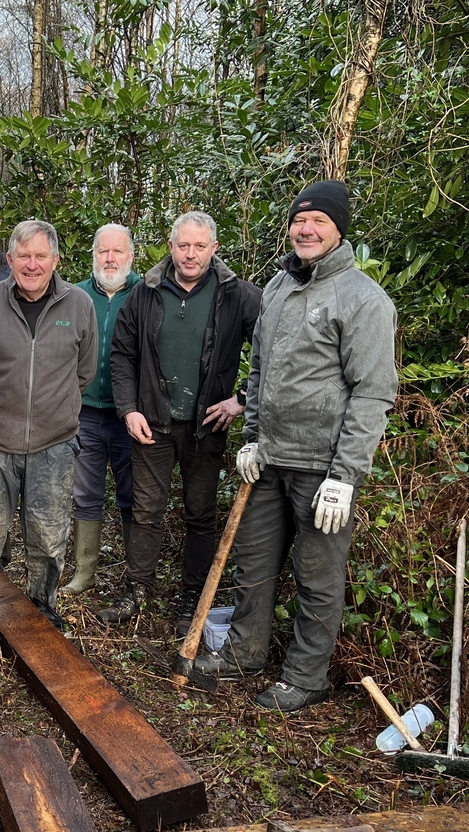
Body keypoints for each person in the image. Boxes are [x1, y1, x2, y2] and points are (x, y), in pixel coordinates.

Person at [192, 180, 398, 711]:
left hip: (321, 469)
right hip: (270, 461)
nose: (305, 229)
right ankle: (244, 650)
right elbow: (259, 370)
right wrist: (253, 437)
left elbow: (373, 392)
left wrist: (345, 476)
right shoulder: (279, 288)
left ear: (338, 230)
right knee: (253, 563)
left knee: (317, 574)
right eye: (299, 220)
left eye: (319, 221)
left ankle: (307, 677)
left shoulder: (363, 300)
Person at [100, 212, 262, 635]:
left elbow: (275, 346)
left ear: (214, 249)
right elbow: (122, 355)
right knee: (146, 510)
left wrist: (243, 399)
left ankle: (192, 595)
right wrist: (128, 408)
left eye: (200, 246)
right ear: (170, 247)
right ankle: (138, 589)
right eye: (183, 245)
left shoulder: (237, 296)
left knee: (200, 514)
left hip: (206, 425)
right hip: (152, 422)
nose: (190, 254)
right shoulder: (145, 294)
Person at [0, 219, 98, 643]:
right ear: (9, 259)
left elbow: (85, 371)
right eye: (23, 256)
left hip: (54, 447)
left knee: (47, 538)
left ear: (56, 260)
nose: (32, 264)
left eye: (41, 256)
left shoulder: (79, 305)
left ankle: (42, 608)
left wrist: (51, 411)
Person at [60, 224, 141, 596]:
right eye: (103, 251)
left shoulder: (145, 293)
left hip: (132, 415)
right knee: (86, 492)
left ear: (131, 256)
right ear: (93, 255)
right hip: (86, 412)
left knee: (132, 494)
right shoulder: (74, 296)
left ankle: (135, 576)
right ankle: (84, 572)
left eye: (117, 252)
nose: (110, 259)